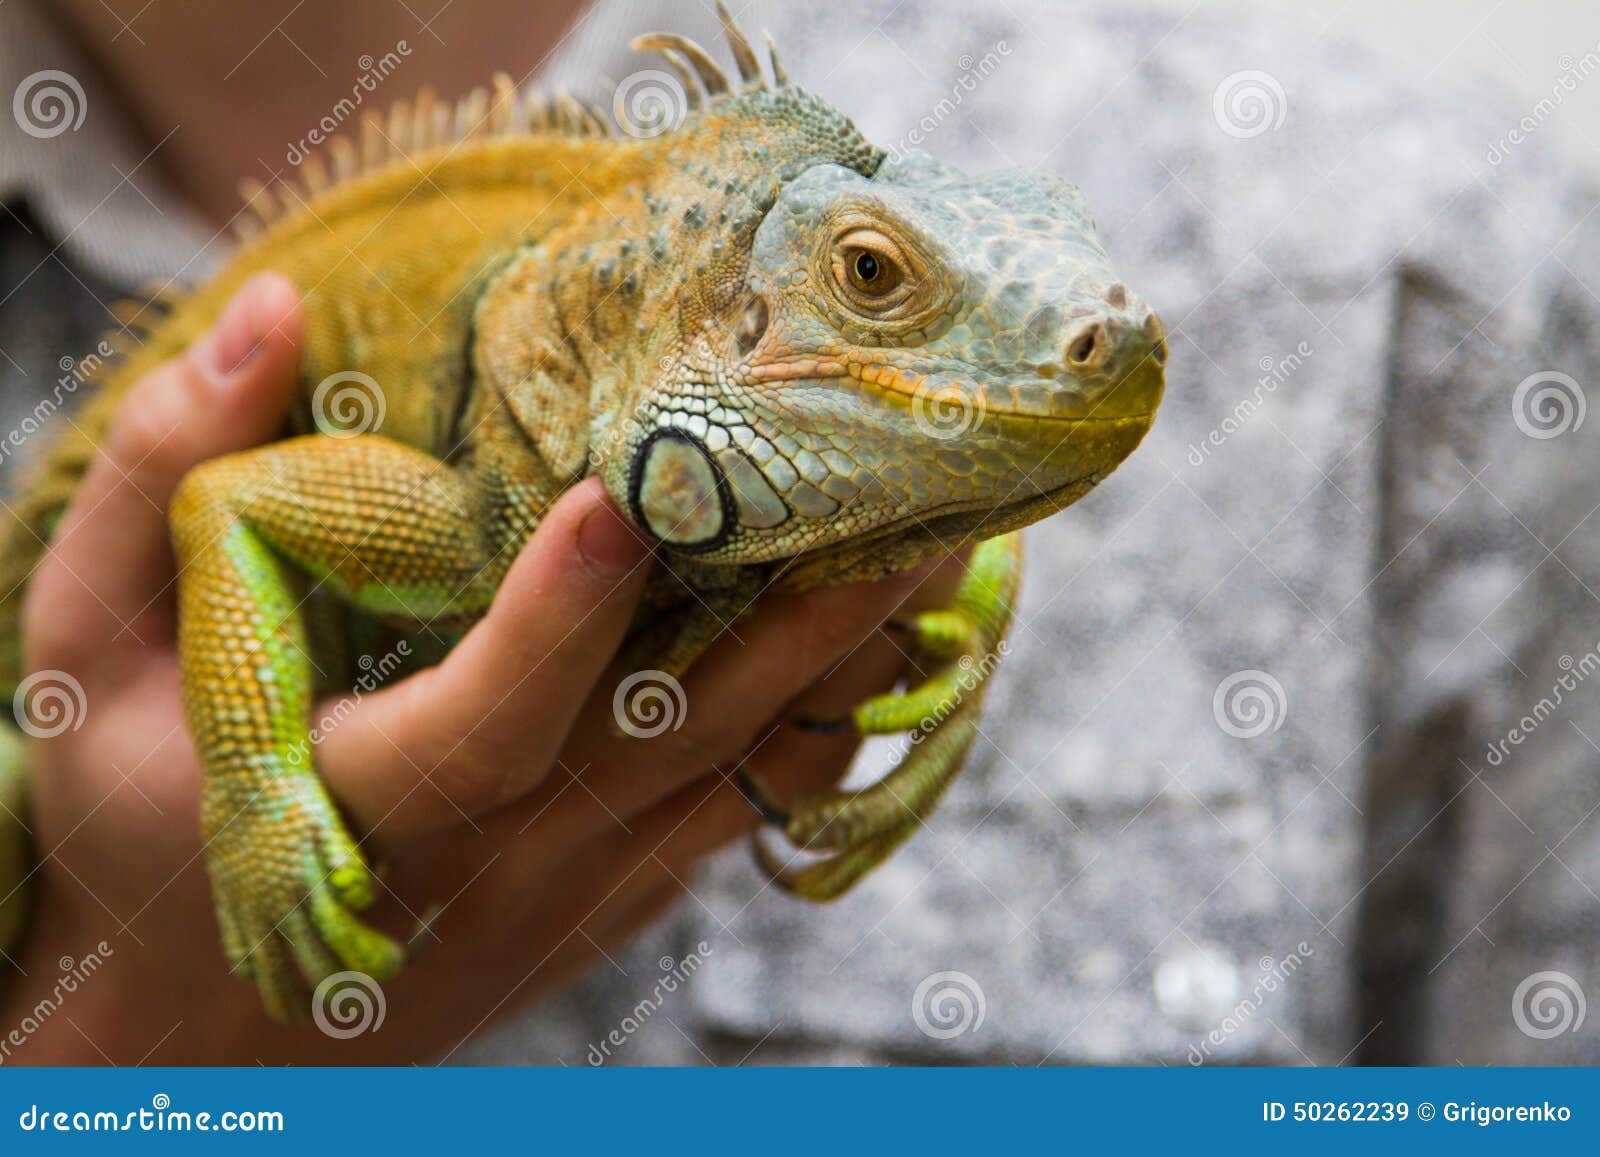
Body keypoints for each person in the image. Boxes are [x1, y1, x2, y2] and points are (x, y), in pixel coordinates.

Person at [0, 0, 961, 1062]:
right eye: (870, 278)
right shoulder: (488, 496)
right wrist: (148, 1013)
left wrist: (962, 609)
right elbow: (236, 505)